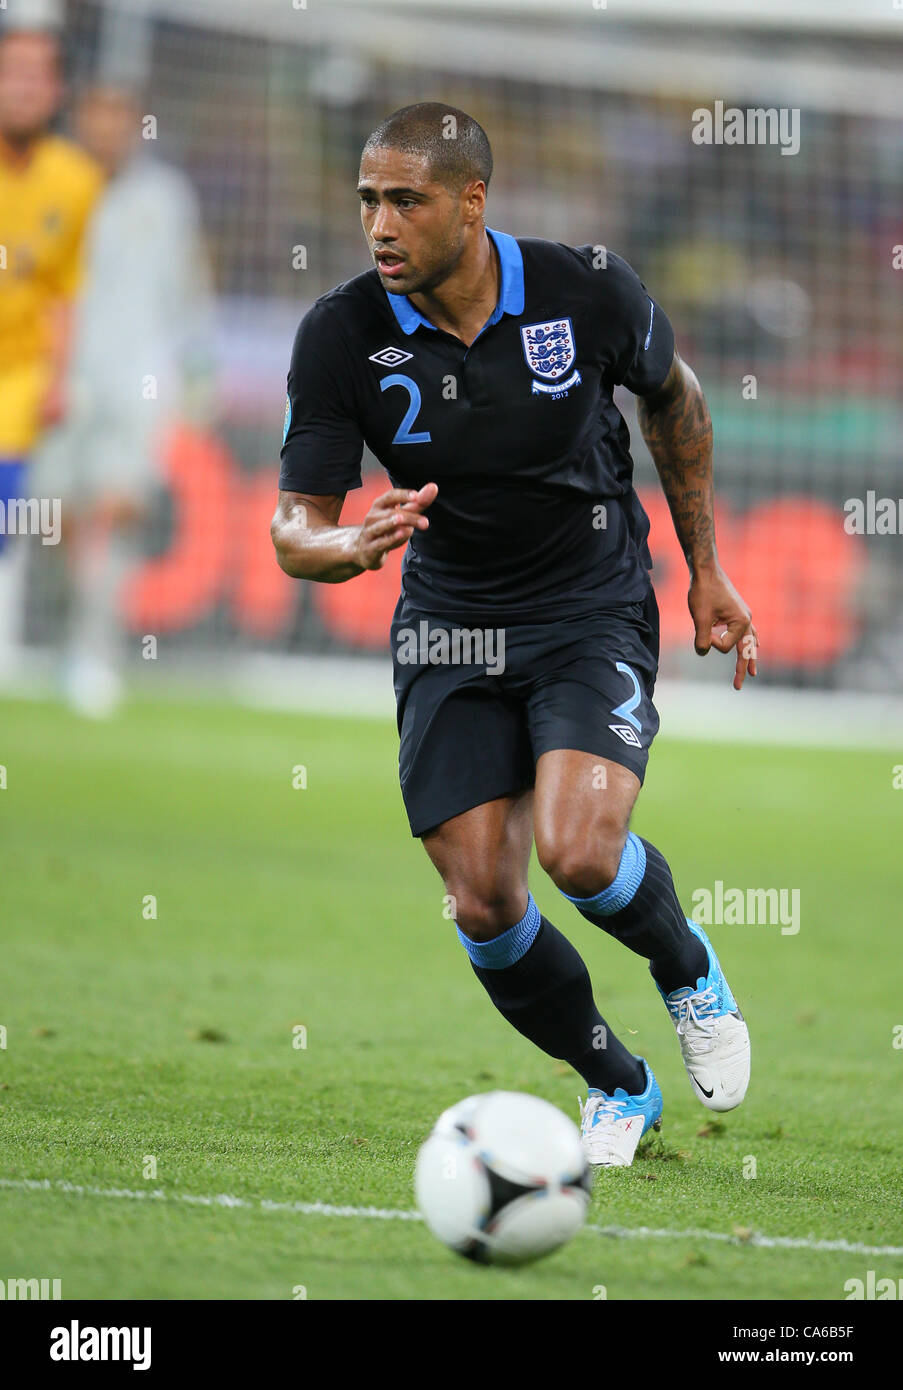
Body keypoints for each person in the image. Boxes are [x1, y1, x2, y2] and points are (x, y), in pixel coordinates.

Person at [271, 103, 757, 1168]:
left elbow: (675, 403)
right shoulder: (344, 332)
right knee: (483, 901)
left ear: (472, 201)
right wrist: (345, 544)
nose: (380, 224)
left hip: (588, 607)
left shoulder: (585, 289)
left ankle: (686, 969)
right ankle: (617, 1084)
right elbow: (291, 525)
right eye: (368, 201)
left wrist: (708, 568)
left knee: (579, 851)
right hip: (449, 625)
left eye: (407, 200)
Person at [34, 82, 213, 716]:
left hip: (139, 380)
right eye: (96, 117)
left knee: (115, 509)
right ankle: (50, 637)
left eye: (119, 119)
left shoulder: (165, 199)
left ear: (137, 126)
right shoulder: (52, 185)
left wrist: (196, 374)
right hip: (59, 377)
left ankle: (93, 655)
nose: (107, 131)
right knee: (51, 516)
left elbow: (190, 290)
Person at [0, 24, 101, 671]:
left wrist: (60, 379)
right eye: (13, 71)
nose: (23, 86)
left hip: (20, 370)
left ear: (57, 89)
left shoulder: (78, 180)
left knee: (9, 501)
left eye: (37, 75)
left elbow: (65, 290)